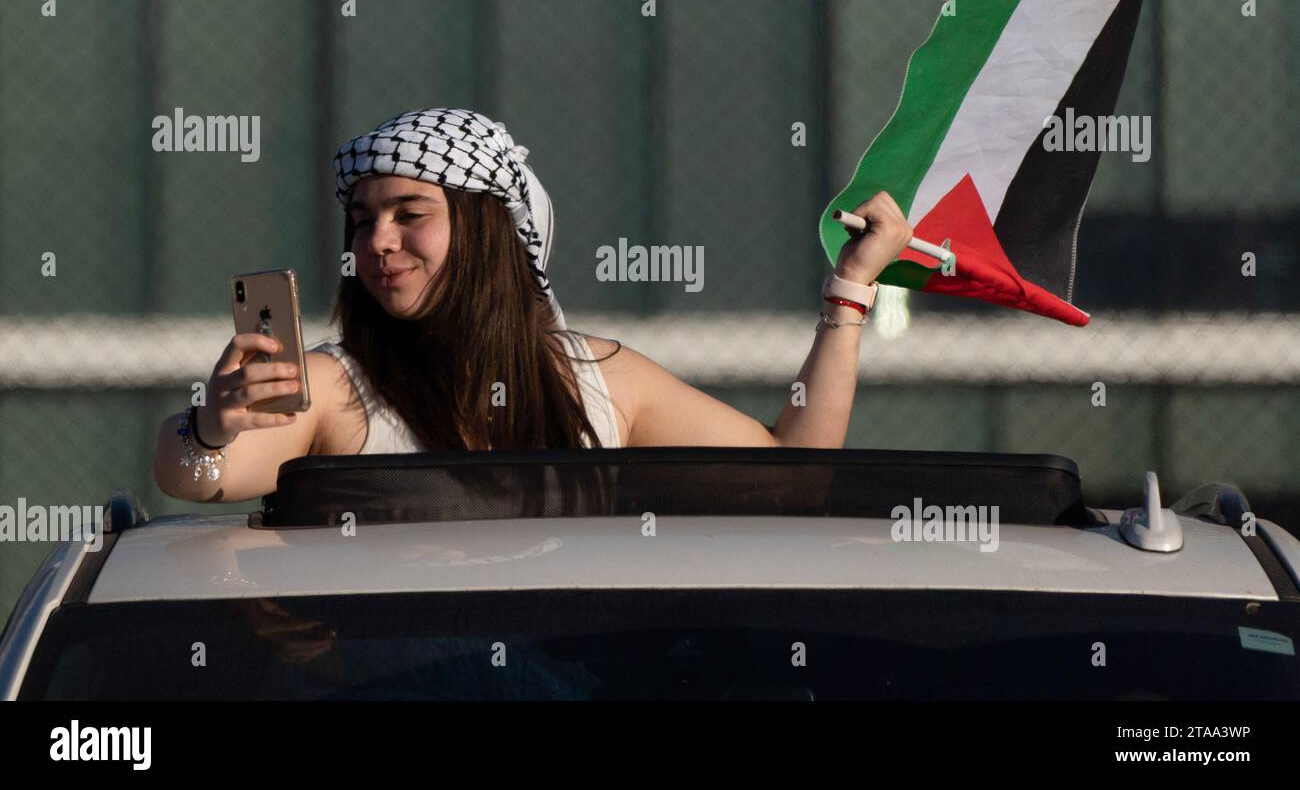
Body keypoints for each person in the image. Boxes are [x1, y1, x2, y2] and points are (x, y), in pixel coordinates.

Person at [154, 107, 911, 503]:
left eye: (409, 214)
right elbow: (202, 478)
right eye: (361, 219)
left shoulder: (604, 381)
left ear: (489, 231)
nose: (377, 242)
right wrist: (211, 426)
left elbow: (790, 480)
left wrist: (849, 294)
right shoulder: (333, 385)